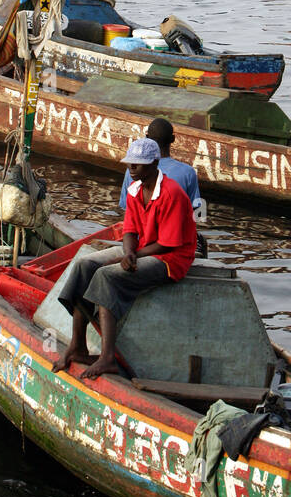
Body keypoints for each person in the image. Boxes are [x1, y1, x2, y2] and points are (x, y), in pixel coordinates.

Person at [54, 137, 197, 380]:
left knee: (106, 275)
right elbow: (129, 231)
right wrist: (130, 252)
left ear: (154, 164)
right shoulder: (134, 191)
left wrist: (134, 256)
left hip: (171, 258)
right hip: (144, 247)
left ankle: (108, 356)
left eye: (137, 165)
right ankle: (78, 345)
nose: (132, 169)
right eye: (130, 164)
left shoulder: (171, 193)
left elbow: (167, 243)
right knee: (84, 266)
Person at [118, 118, 202, 214]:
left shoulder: (133, 170)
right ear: (173, 139)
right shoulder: (188, 172)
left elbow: (124, 208)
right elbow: (198, 212)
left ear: (147, 137)